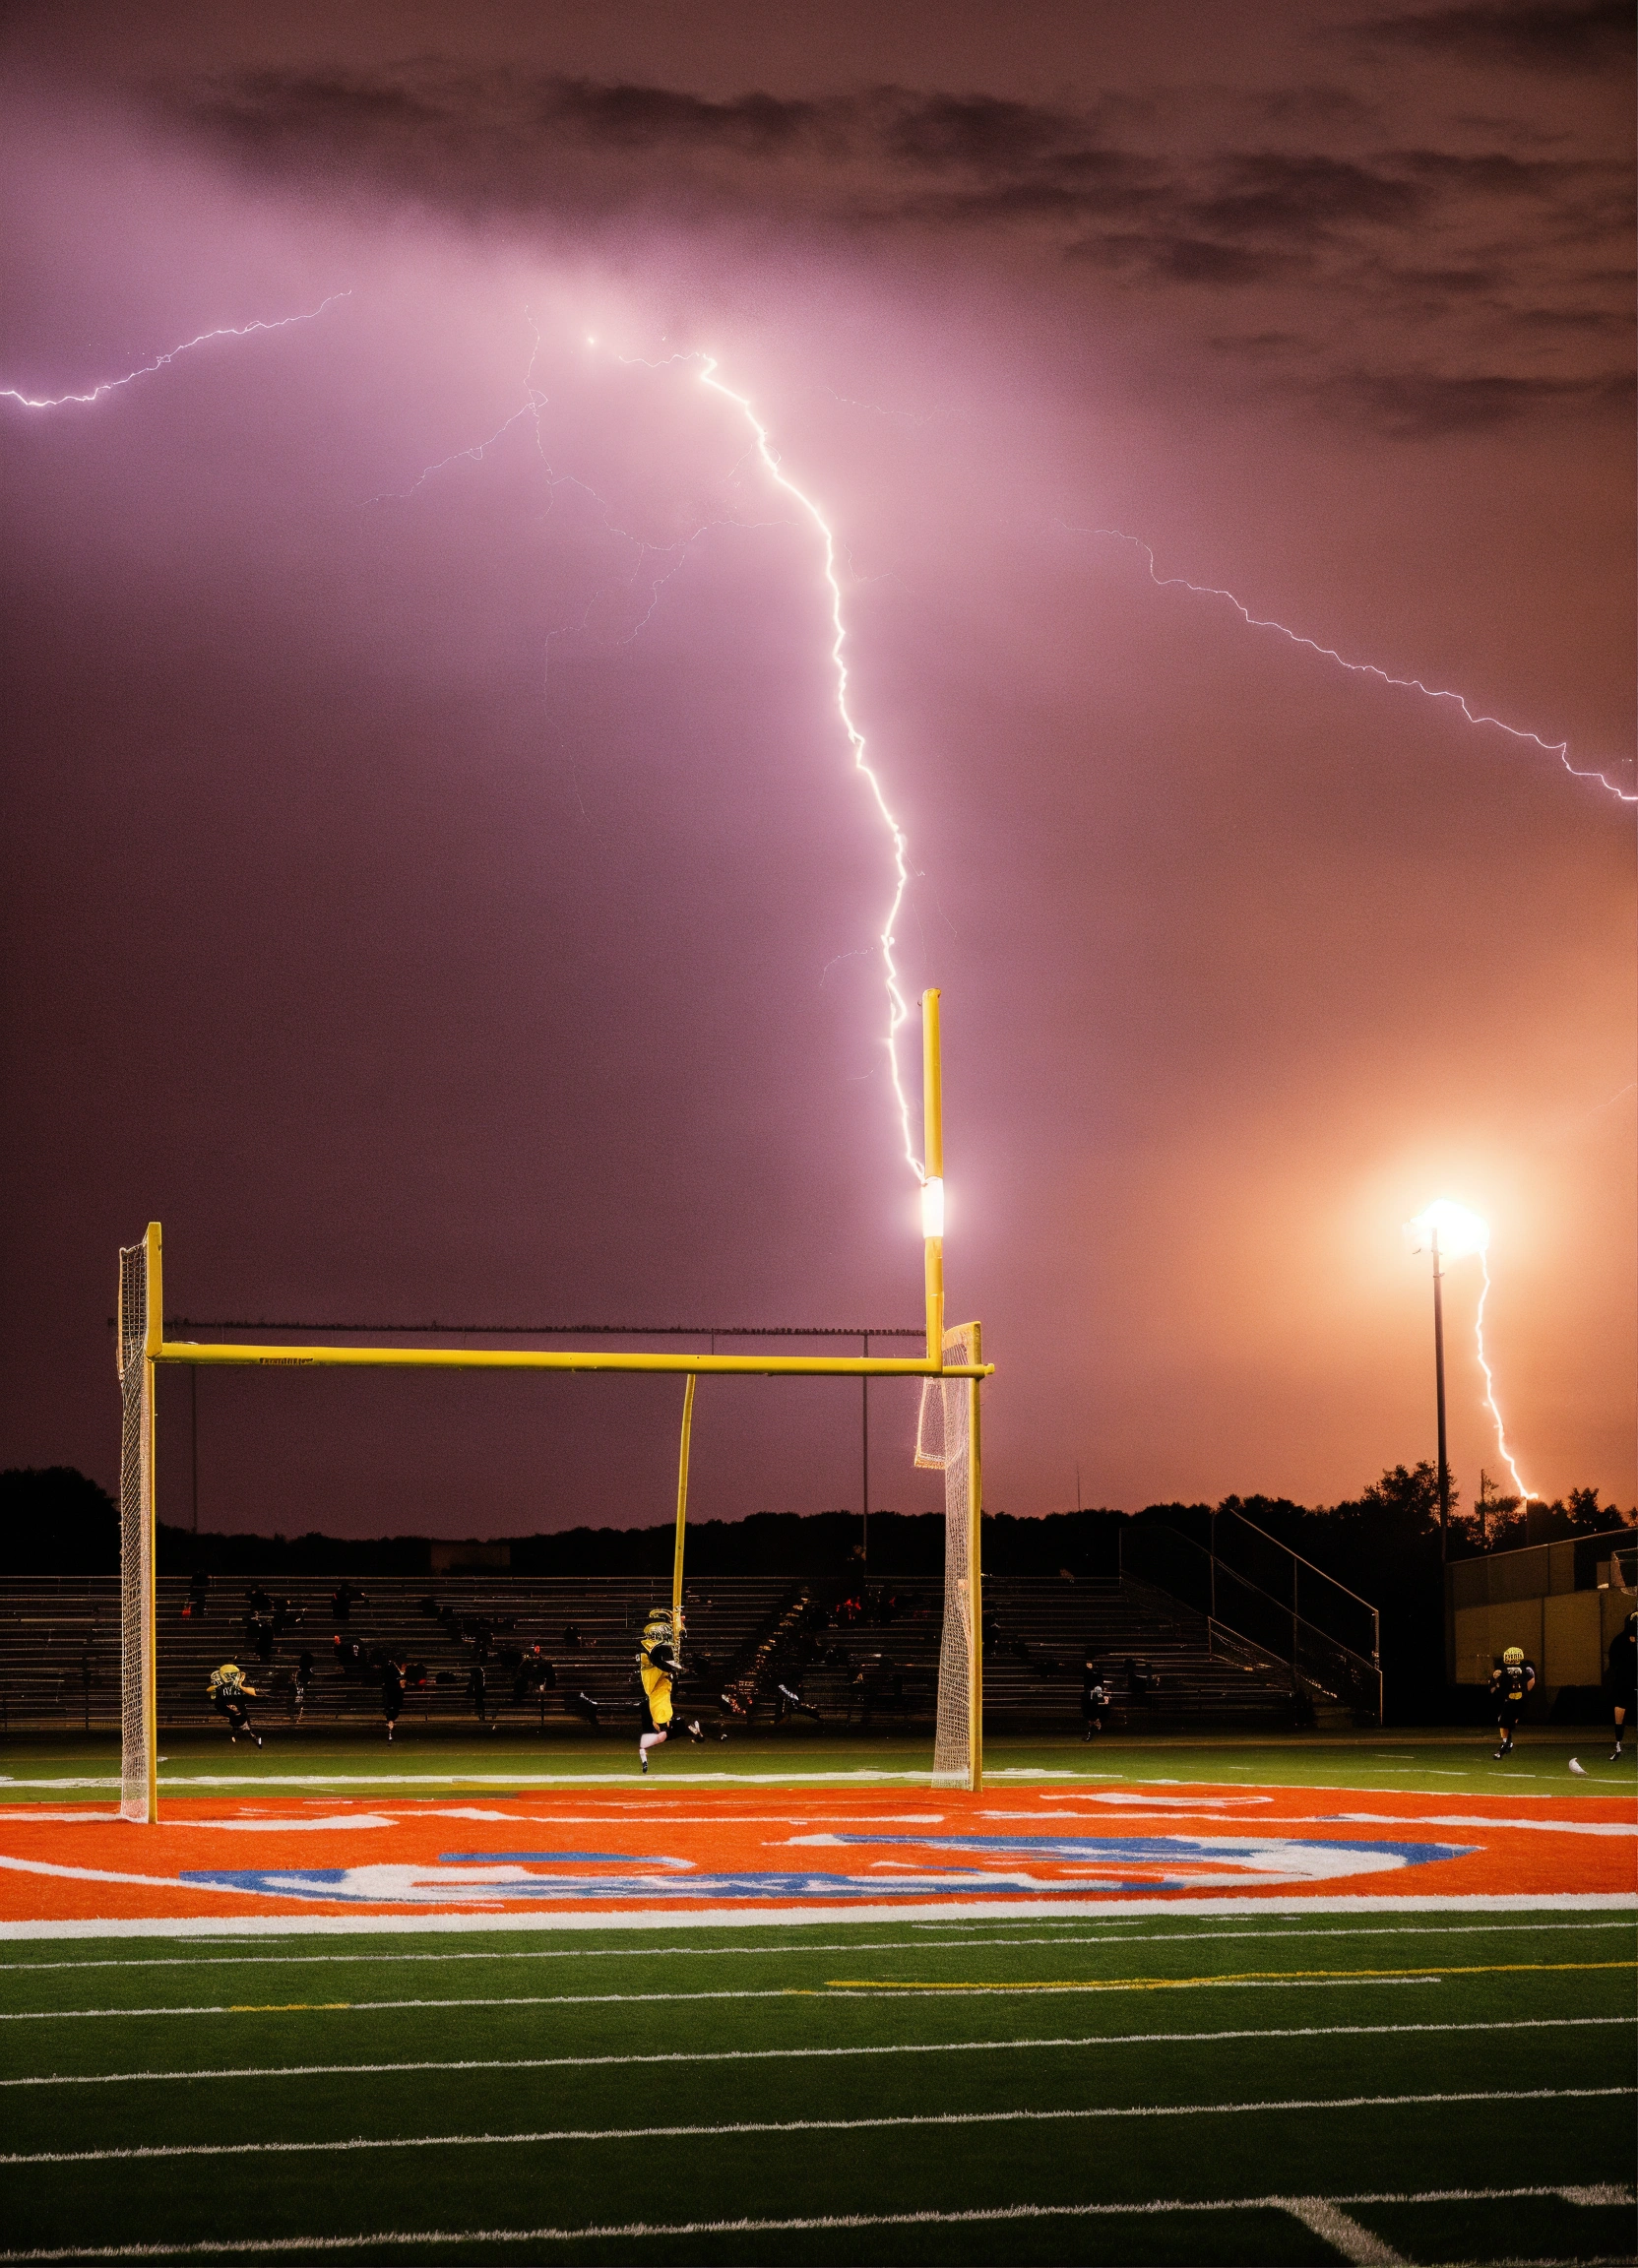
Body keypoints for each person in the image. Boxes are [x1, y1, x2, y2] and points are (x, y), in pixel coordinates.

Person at [636, 1609, 704, 1772]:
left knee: (661, 1702)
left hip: (658, 1682)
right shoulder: (650, 1646)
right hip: (658, 1681)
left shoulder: (659, 1724)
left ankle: (695, 1731)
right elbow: (658, 1659)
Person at [1488, 1644, 1535, 1758]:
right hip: (1521, 1700)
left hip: (1509, 1700)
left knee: (1503, 1722)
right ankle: (1507, 1743)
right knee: (1509, 1722)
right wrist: (1524, 1693)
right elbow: (1531, 1682)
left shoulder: (1502, 1671)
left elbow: (1496, 1687)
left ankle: (1505, 1745)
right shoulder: (1527, 1669)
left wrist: (1495, 1680)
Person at [208, 1662, 262, 1747]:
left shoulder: (237, 1689)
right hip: (236, 1713)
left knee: (243, 1727)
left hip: (238, 1714)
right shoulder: (222, 1690)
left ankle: (250, 1737)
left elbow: (253, 1693)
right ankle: (248, 1737)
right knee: (242, 1726)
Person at [1607, 1610, 1637, 1762]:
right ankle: (1619, 1743)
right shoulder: (1620, 1640)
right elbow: (1613, 1663)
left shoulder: (1619, 1640)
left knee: (1621, 1706)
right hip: (1624, 1681)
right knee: (1620, 1708)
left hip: (1627, 1680)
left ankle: (1620, 1744)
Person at [1081, 1655, 1106, 1742]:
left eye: (1090, 1665)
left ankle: (1091, 1732)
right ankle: (1092, 1729)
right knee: (1089, 1715)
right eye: (1087, 1665)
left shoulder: (1095, 1675)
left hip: (1092, 1696)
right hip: (1088, 1696)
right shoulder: (1088, 1675)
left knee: (1092, 1714)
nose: (1089, 1667)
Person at [381, 1655, 404, 1742]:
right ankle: (390, 1725)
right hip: (393, 1693)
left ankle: (390, 1725)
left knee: (391, 1711)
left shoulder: (391, 1667)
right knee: (392, 1711)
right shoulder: (392, 1668)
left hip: (392, 1693)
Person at [291, 1648, 314, 1722]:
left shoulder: (300, 1672)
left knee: (300, 1697)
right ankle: (300, 1712)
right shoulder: (308, 1673)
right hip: (305, 1679)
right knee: (302, 1696)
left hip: (302, 1680)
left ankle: (299, 1712)